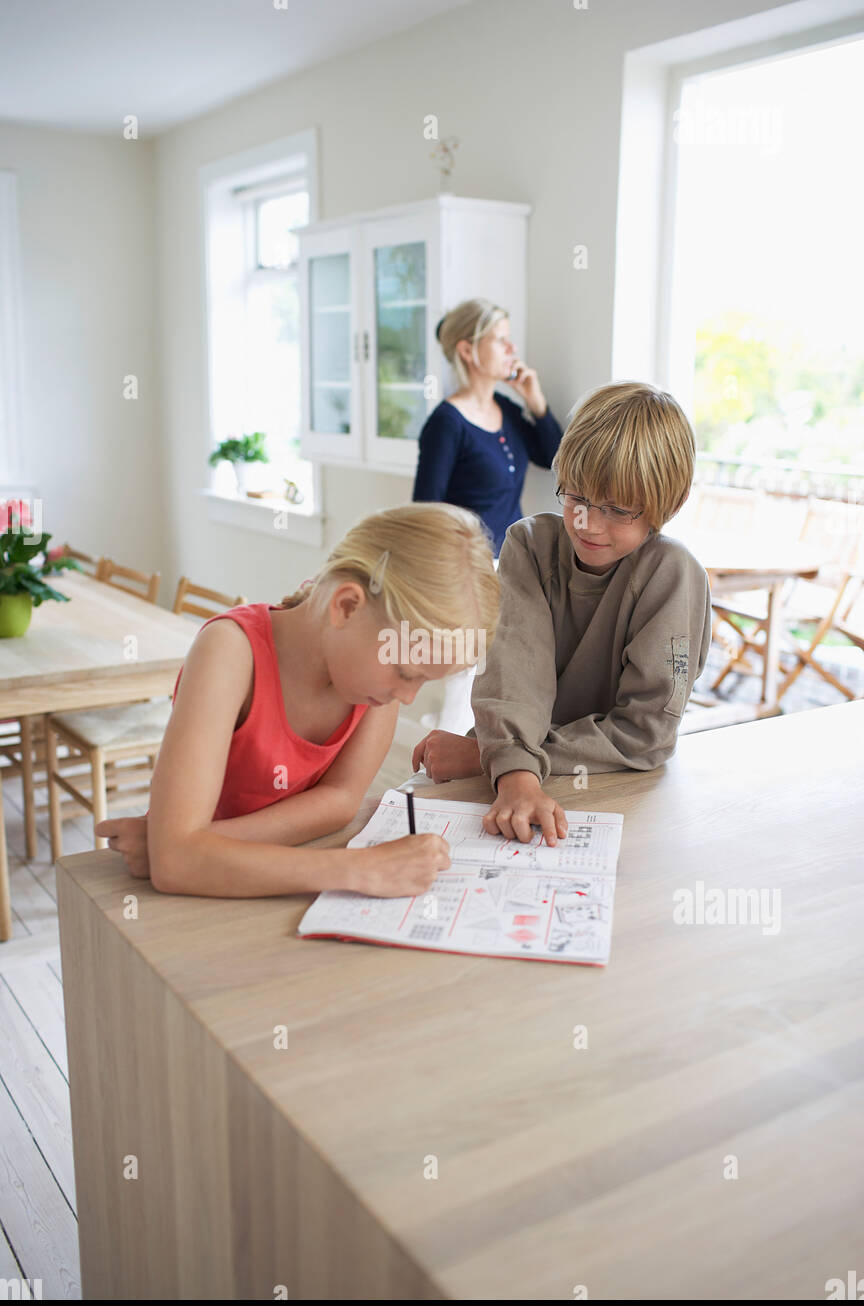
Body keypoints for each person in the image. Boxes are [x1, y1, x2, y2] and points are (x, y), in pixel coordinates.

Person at [96, 503, 499, 899]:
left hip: (267, 885)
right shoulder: (229, 652)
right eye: (407, 673)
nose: (407, 697)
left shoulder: (374, 686)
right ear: (346, 606)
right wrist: (362, 869)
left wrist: (192, 848)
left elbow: (340, 803)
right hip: (179, 904)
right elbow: (177, 866)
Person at [411, 381, 713, 847]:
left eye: (616, 510)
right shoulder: (529, 544)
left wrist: (493, 758)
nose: (588, 524)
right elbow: (514, 672)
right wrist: (513, 771)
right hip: (509, 771)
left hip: (612, 785)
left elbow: (644, 736)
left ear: (666, 505)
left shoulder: (673, 574)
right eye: (576, 498)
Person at [412, 298, 562, 557]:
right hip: (469, 572)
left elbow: (554, 459)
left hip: (514, 563)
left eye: (510, 339)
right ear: (467, 351)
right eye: (500, 340)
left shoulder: (506, 409)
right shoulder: (446, 424)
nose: (512, 348)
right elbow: (425, 515)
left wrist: (536, 403)